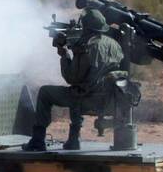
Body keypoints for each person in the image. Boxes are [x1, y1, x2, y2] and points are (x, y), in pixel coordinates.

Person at [23, 9, 125, 151]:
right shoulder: (115, 45)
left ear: (86, 28)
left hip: (88, 98)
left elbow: (72, 78)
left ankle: (38, 140)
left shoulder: (86, 47)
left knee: (46, 92)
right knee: (79, 90)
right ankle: (73, 139)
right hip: (107, 98)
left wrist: (65, 55)